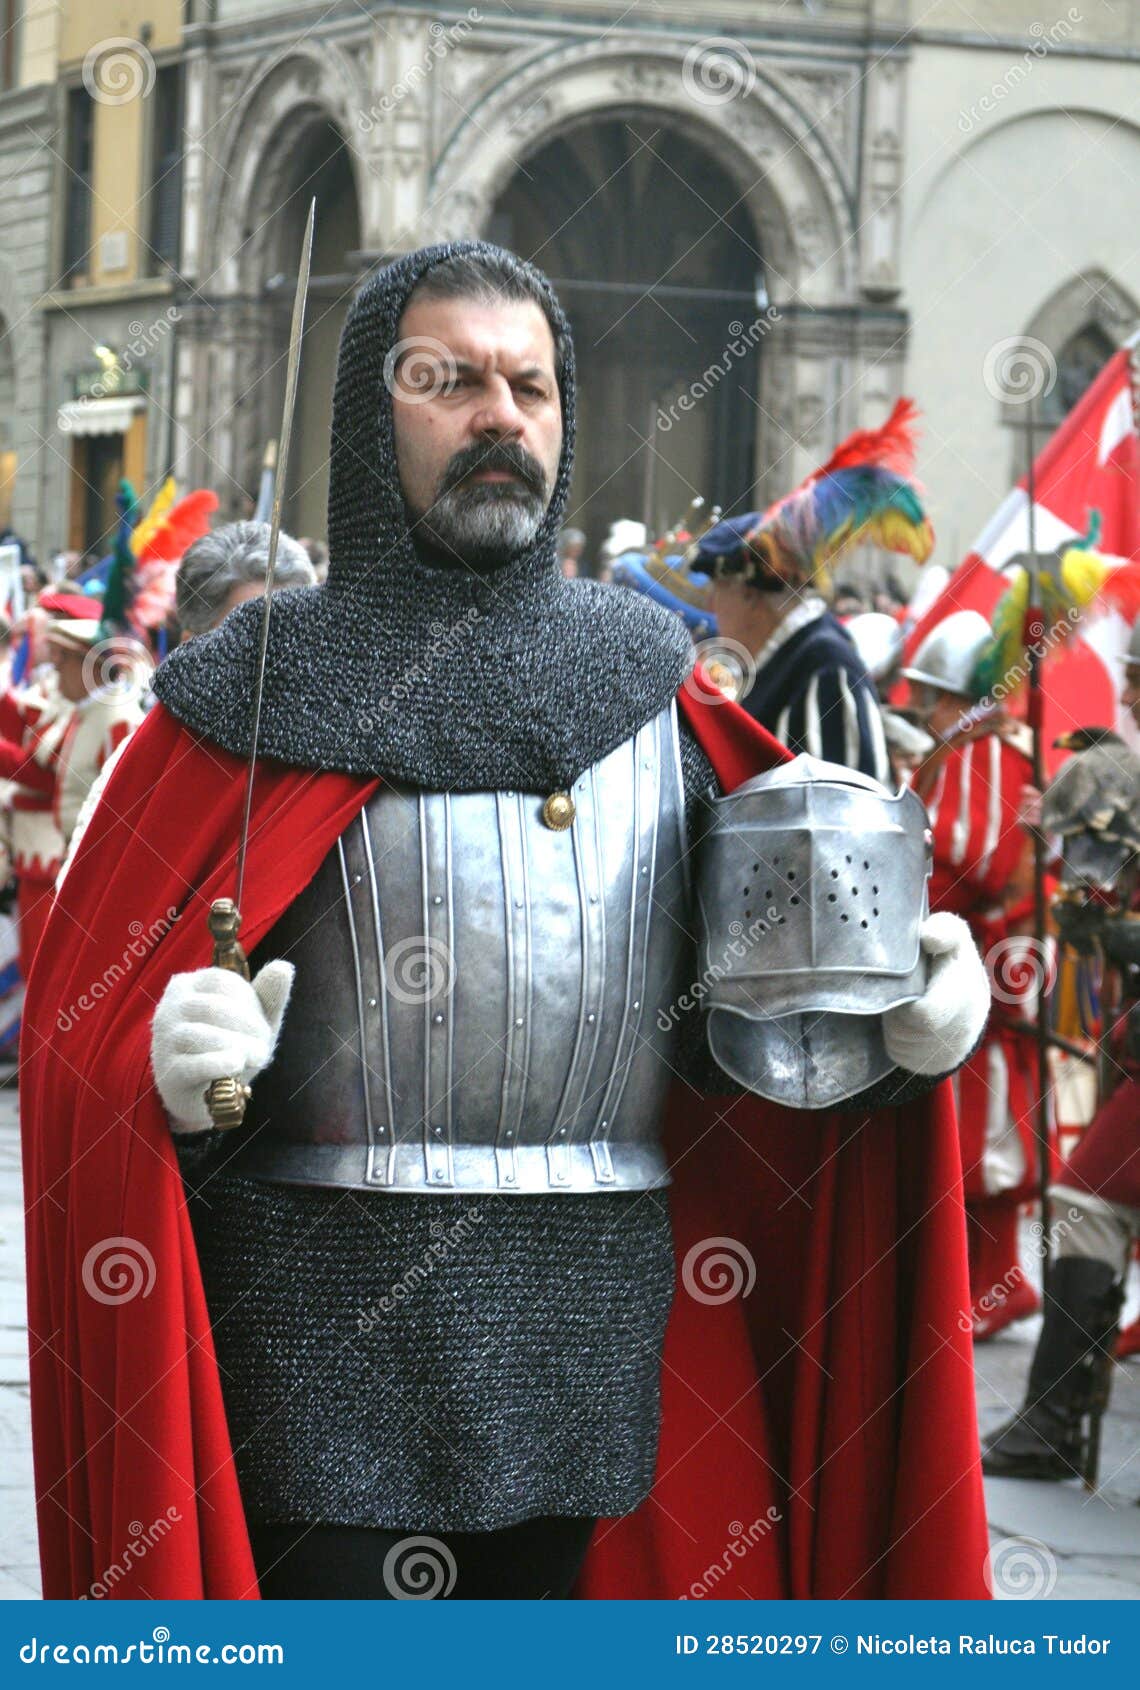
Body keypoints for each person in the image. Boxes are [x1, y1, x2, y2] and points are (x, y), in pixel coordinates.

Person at [22, 243, 991, 1602]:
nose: (500, 417)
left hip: (592, 1323)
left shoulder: (658, 690)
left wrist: (901, 1024)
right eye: (451, 381)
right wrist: (155, 1079)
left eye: (529, 386)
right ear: (373, 412)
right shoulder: (245, 699)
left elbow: (747, 1041)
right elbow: (80, 1044)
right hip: (312, 1324)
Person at [902, 609, 1043, 1340]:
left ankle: (997, 1280)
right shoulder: (968, 752)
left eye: (939, 696)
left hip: (983, 959)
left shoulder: (984, 757)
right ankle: (992, 1279)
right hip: (980, 957)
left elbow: (971, 864)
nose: (929, 711)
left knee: (981, 1119)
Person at [697, 401, 933, 784]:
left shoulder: (825, 667)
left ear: (748, 593)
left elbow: (839, 819)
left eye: (717, 589)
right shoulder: (786, 660)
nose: (710, 605)